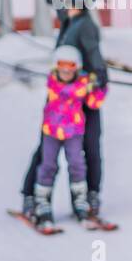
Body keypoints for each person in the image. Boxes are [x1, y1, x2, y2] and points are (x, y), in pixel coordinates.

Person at [20, 0, 109, 220]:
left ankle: (89, 194)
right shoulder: (71, 19)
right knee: (47, 147)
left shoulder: (85, 25)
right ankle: (33, 195)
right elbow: (61, 12)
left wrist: (98, 76)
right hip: (60, 95)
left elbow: (93, 53)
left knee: (87, 147)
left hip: (83, 95)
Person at [30, 46, 106, 227]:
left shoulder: (82, 84)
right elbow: (66, 92)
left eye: (70, 66)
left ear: (76, 68)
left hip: (74, 133)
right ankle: (42, 201)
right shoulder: (53, 83)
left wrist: (99, 86)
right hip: (52, 132)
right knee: (48, 165)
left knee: (77, 164)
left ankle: (80, 200)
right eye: (61, 66)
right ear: (55, 67)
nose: (65, 71)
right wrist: (85, 85)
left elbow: (94, 103)